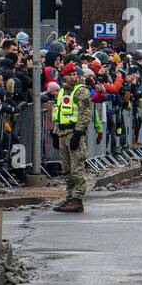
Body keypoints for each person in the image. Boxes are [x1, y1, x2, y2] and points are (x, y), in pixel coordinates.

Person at [51, 62, 91, 213]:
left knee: (77, 167)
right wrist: (55, 132)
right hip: (62, 133)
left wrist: (79, 133)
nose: (73, 77)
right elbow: (58, 113)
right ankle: (69, 198)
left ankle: (77, 199)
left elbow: (85, 114)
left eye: (75, 74)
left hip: (74, 133)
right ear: (64, 76)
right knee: (66, 168)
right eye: (70, 75)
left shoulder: (81, 91)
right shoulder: (62, 91)